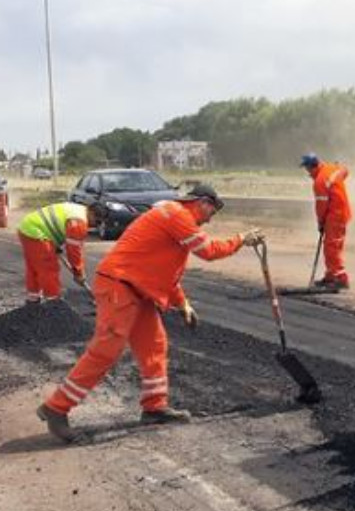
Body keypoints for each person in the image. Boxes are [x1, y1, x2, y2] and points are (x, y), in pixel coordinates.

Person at [37, 184, 263, 443]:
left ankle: (154, 407)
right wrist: (241, 239)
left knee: (154, 345)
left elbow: (164, 272)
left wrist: (183, 304)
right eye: (214, 209)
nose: (212, 217)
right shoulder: (178, 215)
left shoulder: (174, 219)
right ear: (202, 202)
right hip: (119, 286)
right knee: (106, 350)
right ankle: (56, 407)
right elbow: (209, 251)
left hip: (137, 289)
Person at [16, 202, 91, 305]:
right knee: (49, 268)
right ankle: (53, 302)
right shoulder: (78, 222)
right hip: (36, 232)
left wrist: (54, 245)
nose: (93, 225)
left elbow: (55, 225)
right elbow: (74, 251)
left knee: (34, 267)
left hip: (27, 228)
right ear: (93, 214)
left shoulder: (77, 210)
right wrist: (78, 272)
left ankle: (33, 299)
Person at [300, 153, 353, 290]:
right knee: (332, 246)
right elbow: (345, 171)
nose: (307, 172)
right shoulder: (332, 169)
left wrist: (320, 223)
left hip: (335, 216)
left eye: (306, 169)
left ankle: (340, 278)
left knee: (331, 247)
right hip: (341, 212)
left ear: (312, 167)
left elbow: (321, 207)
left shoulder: (320, 182)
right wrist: (338, 166)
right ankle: (331, 275)